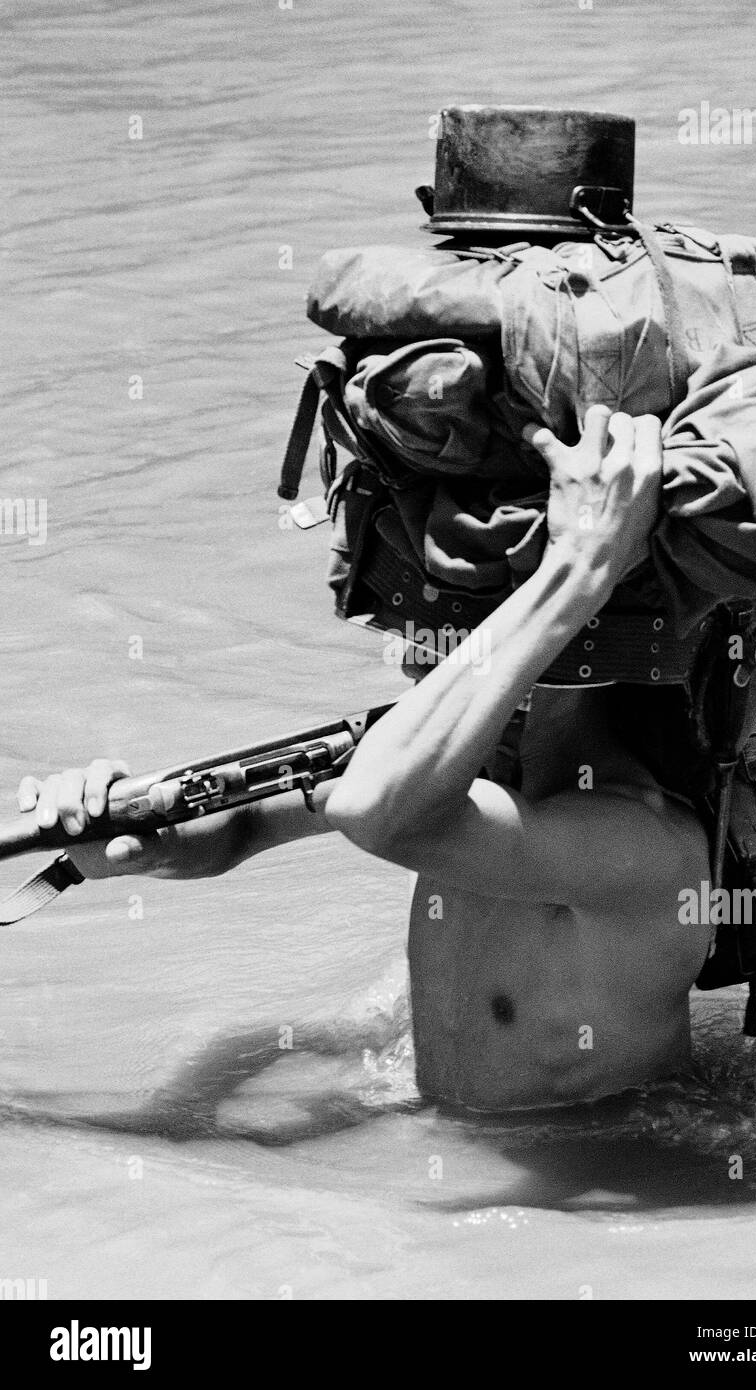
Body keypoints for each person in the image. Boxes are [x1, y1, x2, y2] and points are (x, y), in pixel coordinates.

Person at [17, 406, 715, 1112]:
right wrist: (133, 845)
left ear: (547, 647)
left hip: (563, 1199)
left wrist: (581, 567)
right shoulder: (475, 779)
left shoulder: (647, 846)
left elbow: (372, 810)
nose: (411, 656)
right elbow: (245, 824)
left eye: (447, 643)